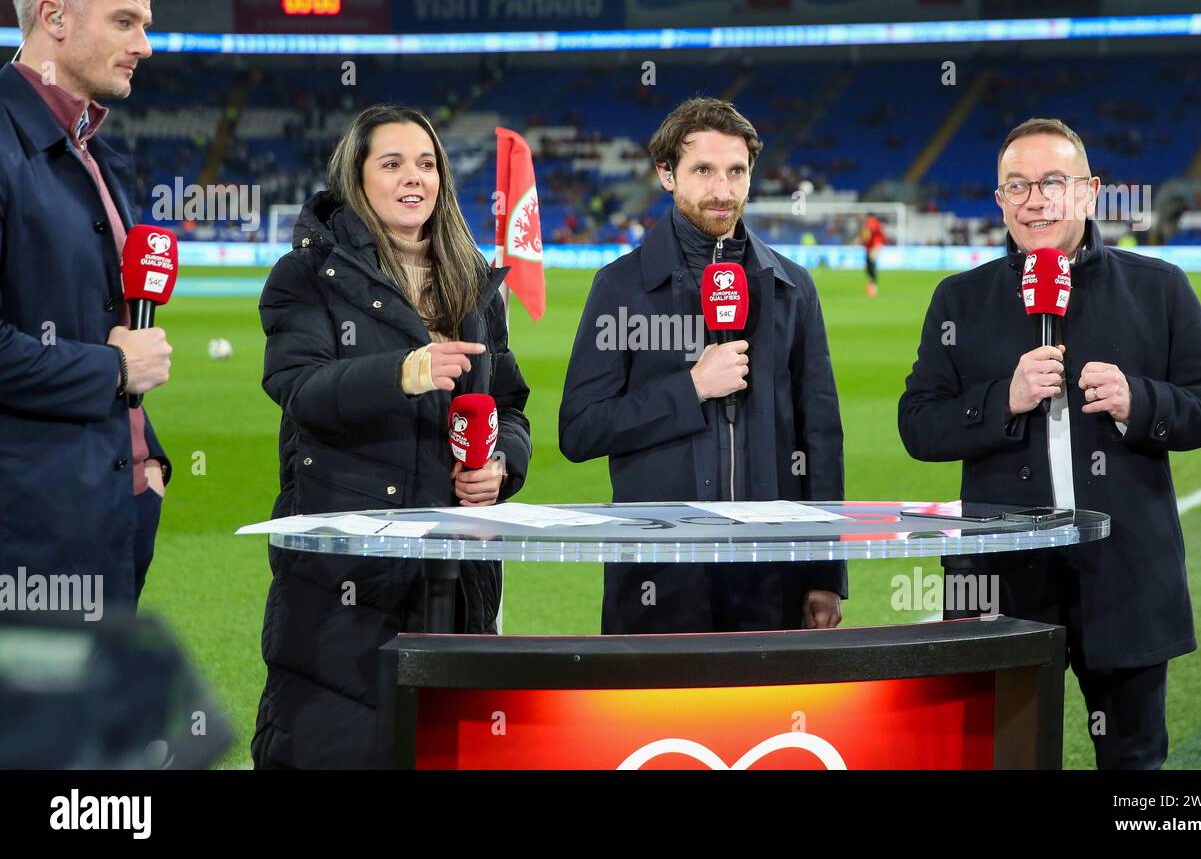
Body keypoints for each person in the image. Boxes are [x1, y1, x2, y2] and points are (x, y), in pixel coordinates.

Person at [899, 117, 1201, 769]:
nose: (1036, 200)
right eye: (1017, 186)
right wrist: (1003, 399)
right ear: (1000, 201)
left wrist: (1144, 402)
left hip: (1127, 579)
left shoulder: (1158, 287)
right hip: (1001, 586)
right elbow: (918, 425)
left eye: (1053, 182)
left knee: (1134, 764)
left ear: (1090, 192)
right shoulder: (959, 300)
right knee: (1009, 760)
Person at [252, 104, 532, 768]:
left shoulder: (474, 285)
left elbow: (511, 408)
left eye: (427, 163)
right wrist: (405, 371)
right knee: (338, 744)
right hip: (348, 570)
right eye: (393, 163)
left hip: (459, 571)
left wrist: (501, 466)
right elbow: (300, 387)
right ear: (358, 178)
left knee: (447, 748)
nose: (415, 177)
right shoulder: (306, 276)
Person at [559, 97, 847, 634]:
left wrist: (826, 572)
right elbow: (580, 429)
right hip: (657, 576)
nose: (723, 190)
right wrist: (690, 388)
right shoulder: (620, 287)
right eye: (704, 171)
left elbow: (821, 438)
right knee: (657, 720)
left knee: (763, 720)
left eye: (737, 171)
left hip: (770, 576)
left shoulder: (792, 288)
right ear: (667, 175)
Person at [0, 0, 171, 609]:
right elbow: (113, 355)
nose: (145, 46)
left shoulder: (97, 152)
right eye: (124, 21)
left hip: (113, 506)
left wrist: (146, 462)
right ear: (54, 17)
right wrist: (111, 371)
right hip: (31, 529)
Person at [862, 213, 885, 297]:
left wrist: (864, 238)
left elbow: (869, 231)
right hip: (873, 246)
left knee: (870, 264)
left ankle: (873, 285)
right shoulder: (875, 222)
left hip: (875, 245)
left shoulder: (871, 221)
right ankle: (872, 283)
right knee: (869, 265)